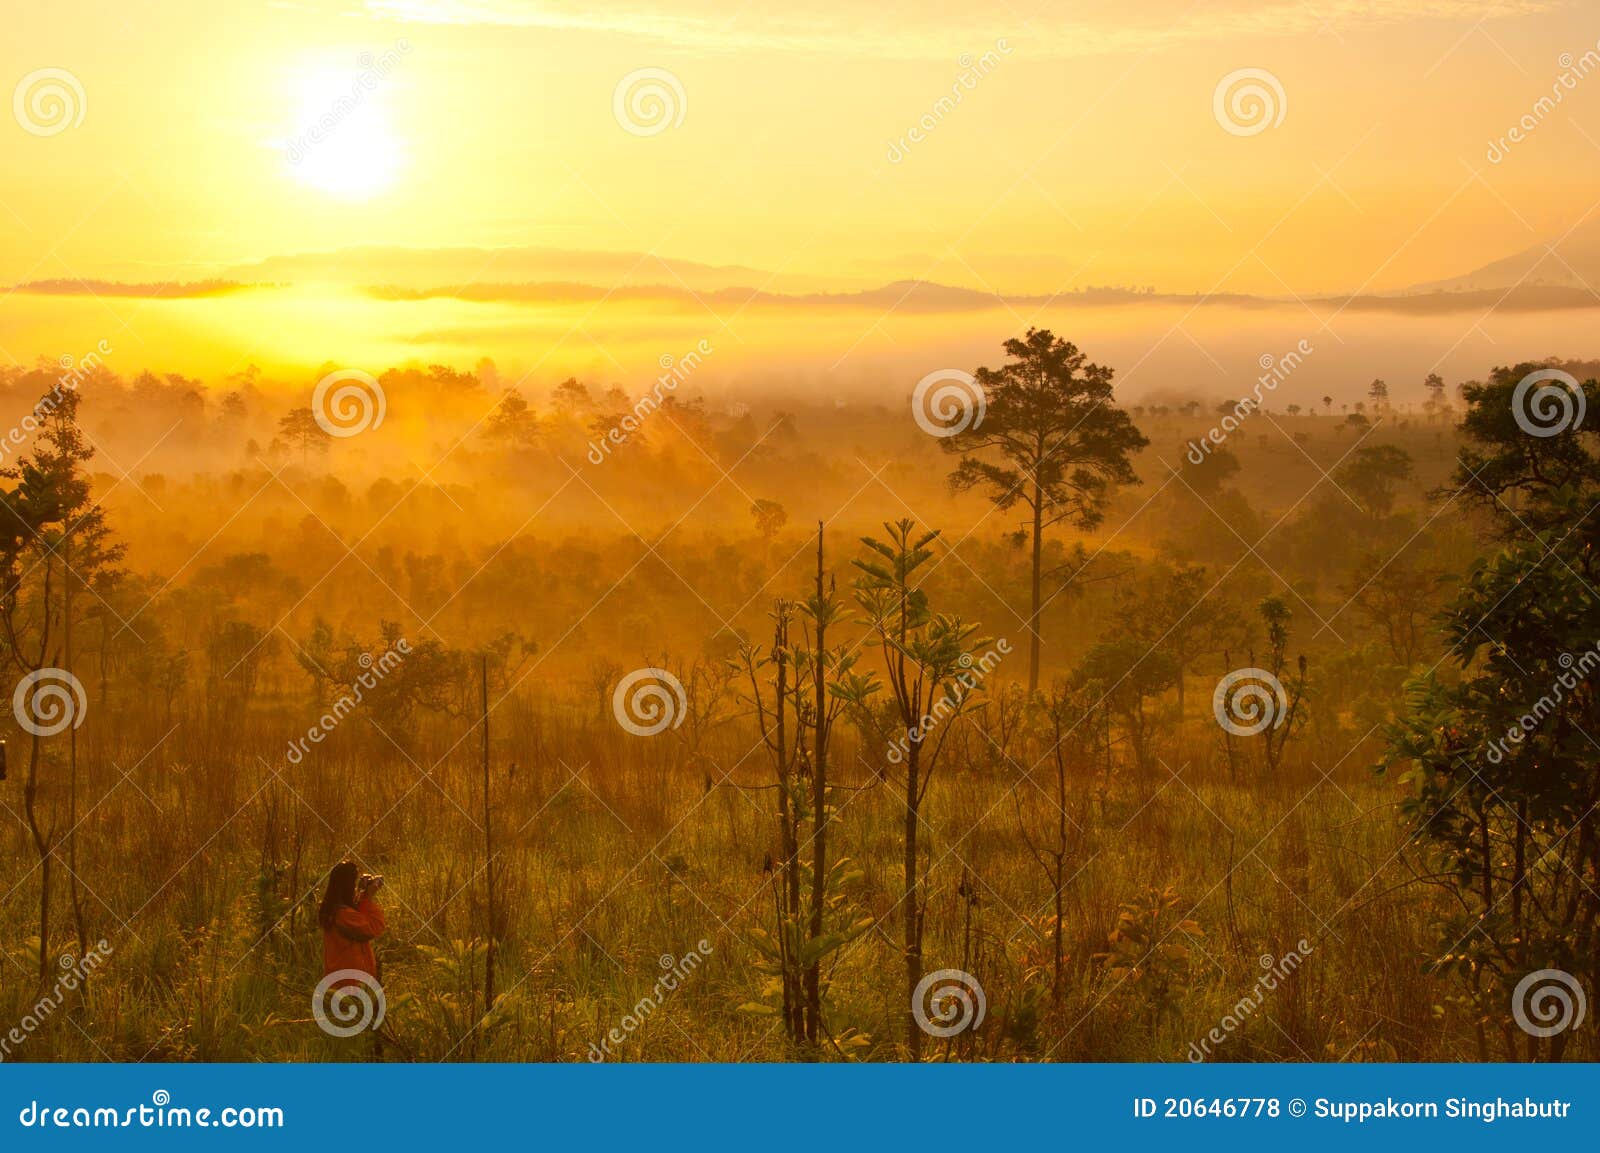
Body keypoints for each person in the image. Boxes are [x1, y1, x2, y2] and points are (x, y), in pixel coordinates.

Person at [317, 861, 386, 982]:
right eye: (354, 883)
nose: (355, 887)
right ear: (347, 885)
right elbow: (374, 927)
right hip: (351, 981)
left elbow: (358, 918)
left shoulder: (334, 909)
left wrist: (362, 895)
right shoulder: (343, 914)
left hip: (341, 977)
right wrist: (368, 898)